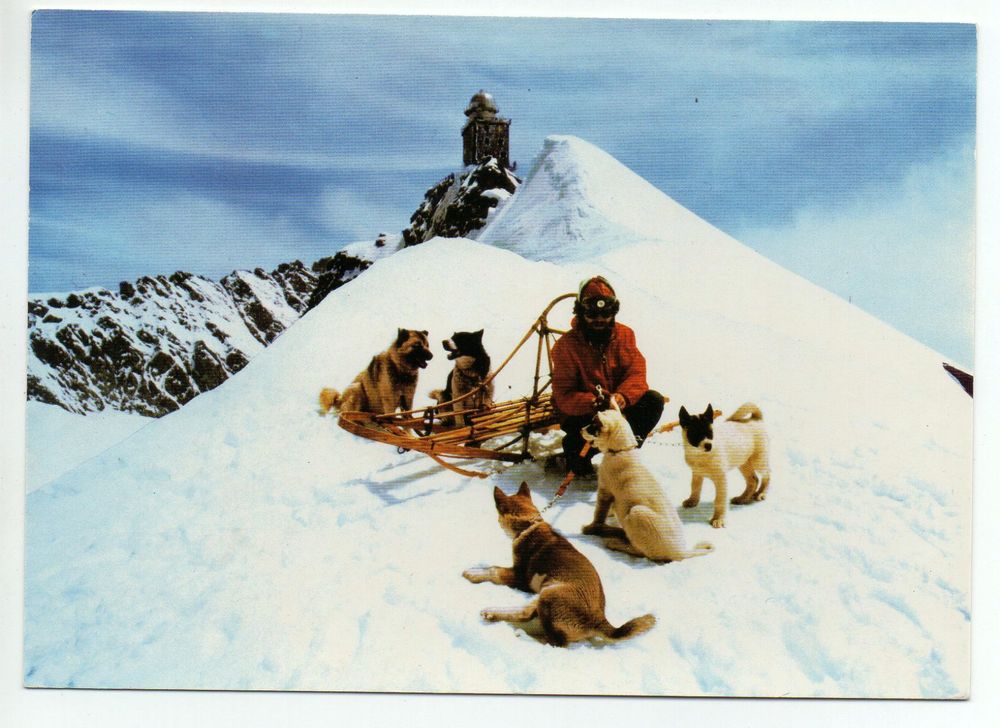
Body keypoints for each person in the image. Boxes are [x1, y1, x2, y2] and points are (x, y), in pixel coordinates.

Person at [551, 276, 665, 476]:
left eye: (606, 314)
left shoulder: (624, 335)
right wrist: (592, 403)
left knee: (653, 400)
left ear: (614, 312)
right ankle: (575, 455)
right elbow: (564, 394)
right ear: (581, 312)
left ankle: (625, 449)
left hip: (616, 408)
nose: (599, 320)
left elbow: (637, 372)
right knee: (578, 463)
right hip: (584, 414)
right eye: (592, 314)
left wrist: (623, 396)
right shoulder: (565, 346)